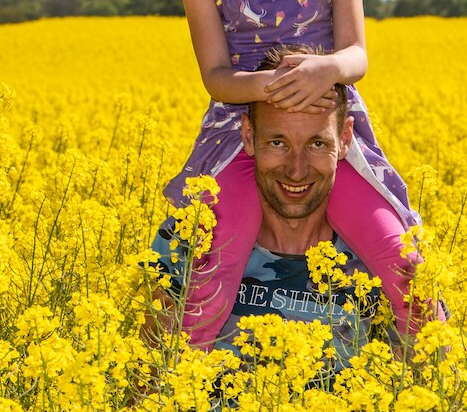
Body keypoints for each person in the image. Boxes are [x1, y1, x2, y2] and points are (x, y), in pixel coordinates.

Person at [164, 0, 421, 348]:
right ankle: (173, 386)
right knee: (215, 257)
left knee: (399, 255)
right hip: (240, 132)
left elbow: (356, 54)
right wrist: (275, 89)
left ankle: (440, 374)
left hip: (330, 134)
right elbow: (217, 78)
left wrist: (325, 69)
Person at [153, 80, 378, 368]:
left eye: (317, 143)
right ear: (247, 135)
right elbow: (150, 387)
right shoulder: (186, 242)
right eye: (277, 143)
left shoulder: (380, 267)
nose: (296, 170)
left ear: (345, 139)